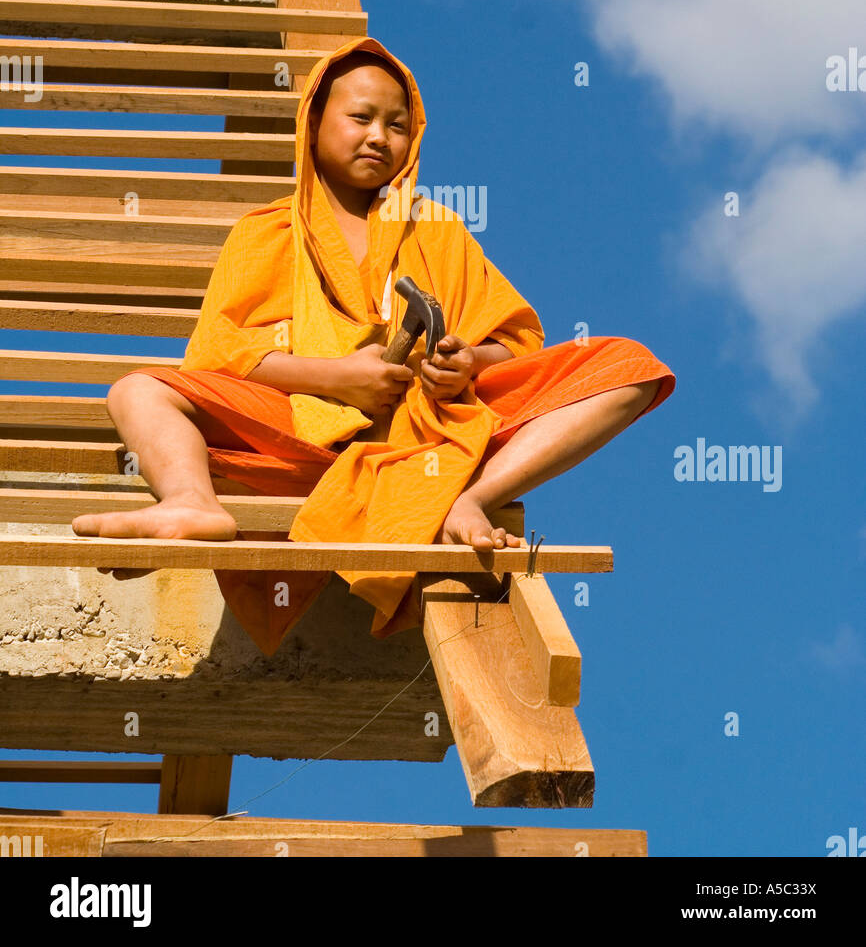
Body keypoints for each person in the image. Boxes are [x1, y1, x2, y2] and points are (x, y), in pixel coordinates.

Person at [72, 36, 675, 653]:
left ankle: (470, 500)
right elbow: (223, 353)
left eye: (398, 125)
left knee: (629, 368)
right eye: (360, 118)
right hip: (301, 438)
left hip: (437, 432)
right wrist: (335, 378)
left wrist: (465, 364)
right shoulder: (266, 233)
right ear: (312, 124)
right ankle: (192, 503)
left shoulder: (436, 228)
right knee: (138, 389)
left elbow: (515, 341)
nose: (379, 137)